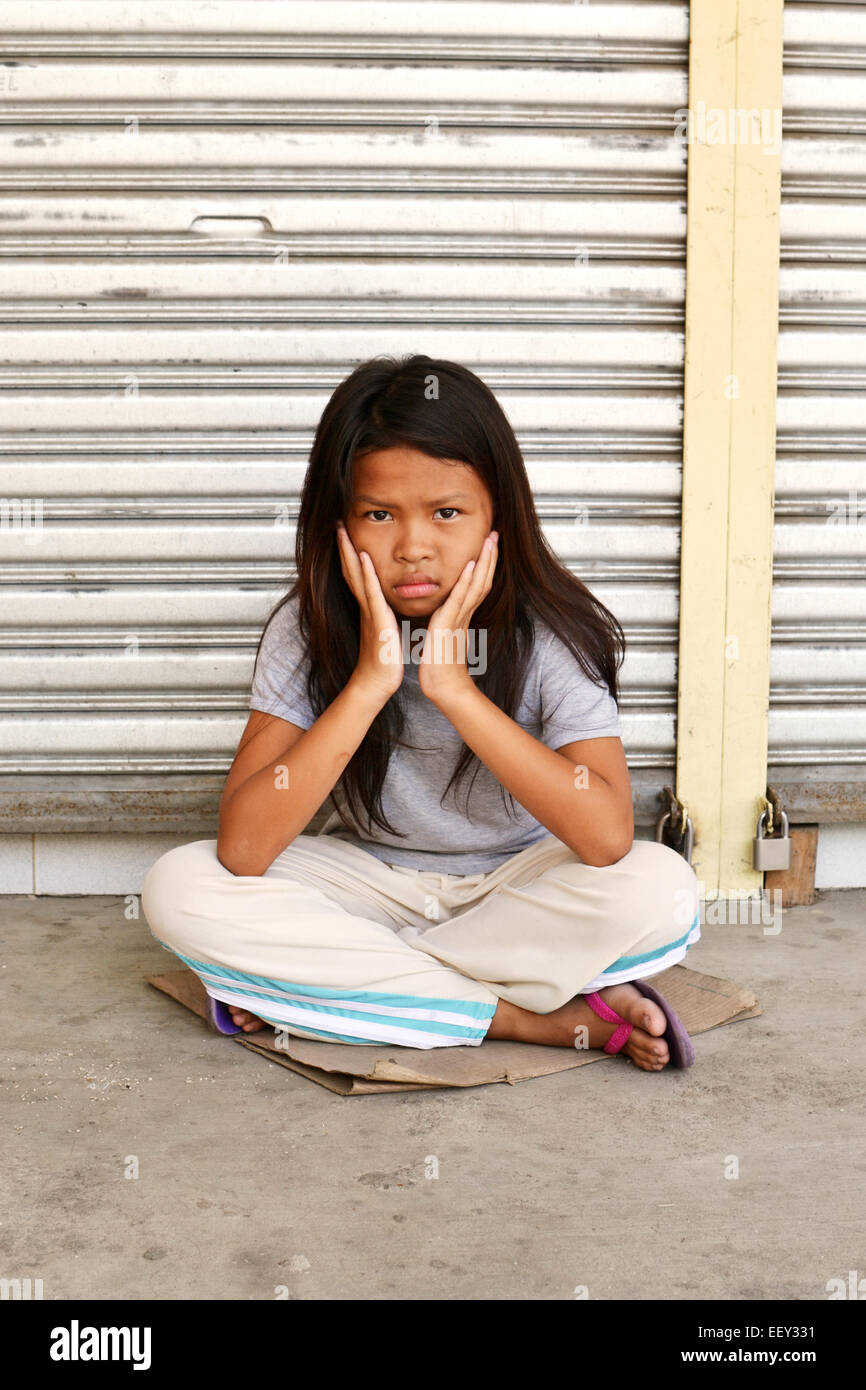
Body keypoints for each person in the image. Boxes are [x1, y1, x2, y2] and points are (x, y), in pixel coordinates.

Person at [142, 354, 701, 1071]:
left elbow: (603, 838)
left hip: (520, 884)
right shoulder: (307, 629)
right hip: (368, 883)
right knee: (179, 886)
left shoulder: (550, 629)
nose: (413, 548)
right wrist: (371, 682)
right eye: (379, 514)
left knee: (663, 889)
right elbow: (244, 849)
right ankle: (527, 1016)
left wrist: (456, 691)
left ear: (498, 515)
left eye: (447, 513)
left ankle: (344, 984)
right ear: (337, 523)